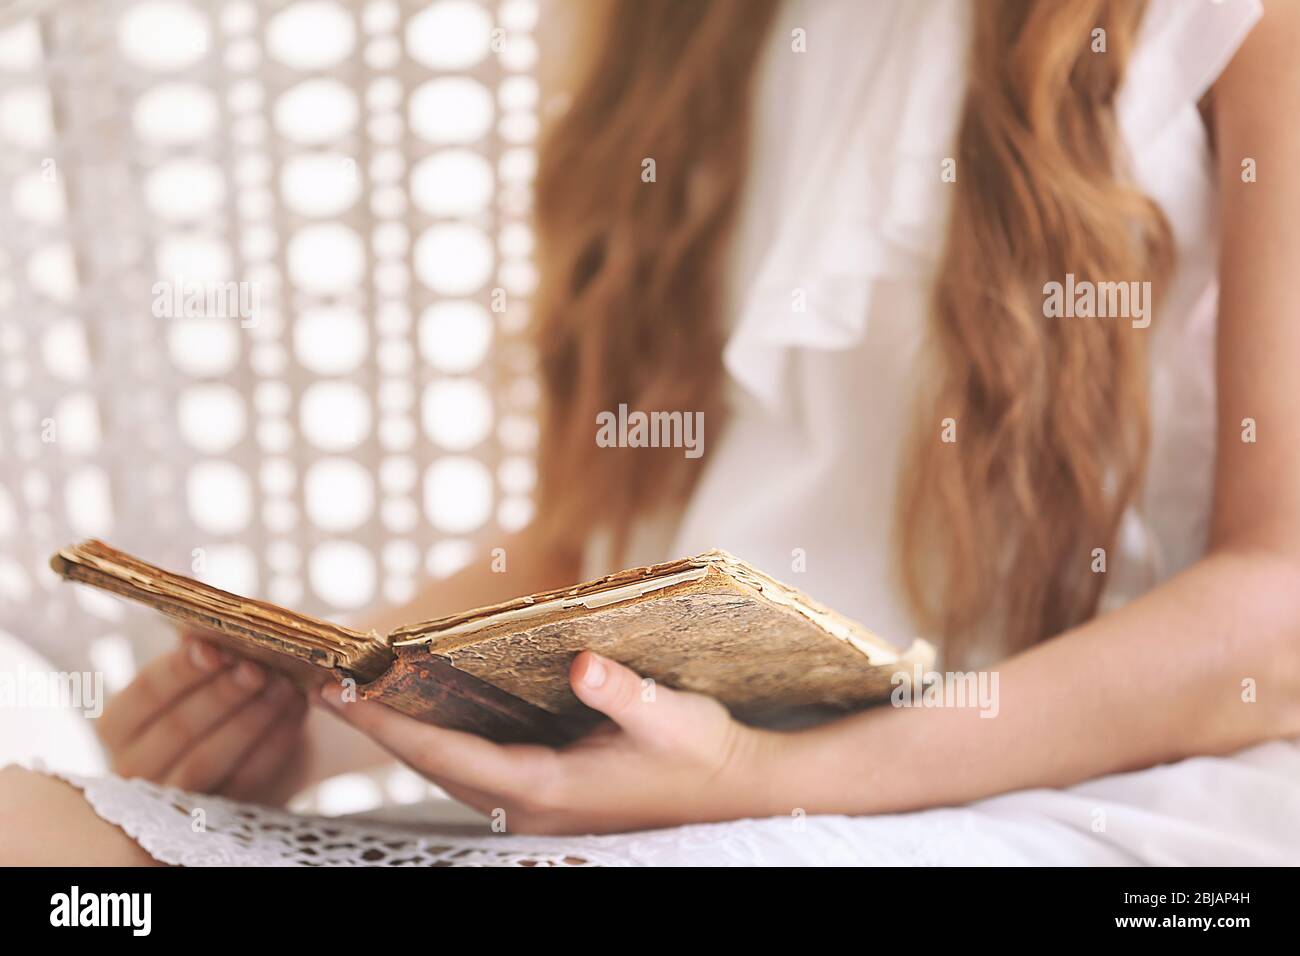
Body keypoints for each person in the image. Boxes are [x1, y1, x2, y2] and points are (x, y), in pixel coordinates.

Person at [4, 0, 1299, 865]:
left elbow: (1280, 608)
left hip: (1072, 784)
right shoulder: (686, 30)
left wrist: (769, 781)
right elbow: (607, 539)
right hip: (671, 781)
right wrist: (338, 704)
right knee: (32, 836)